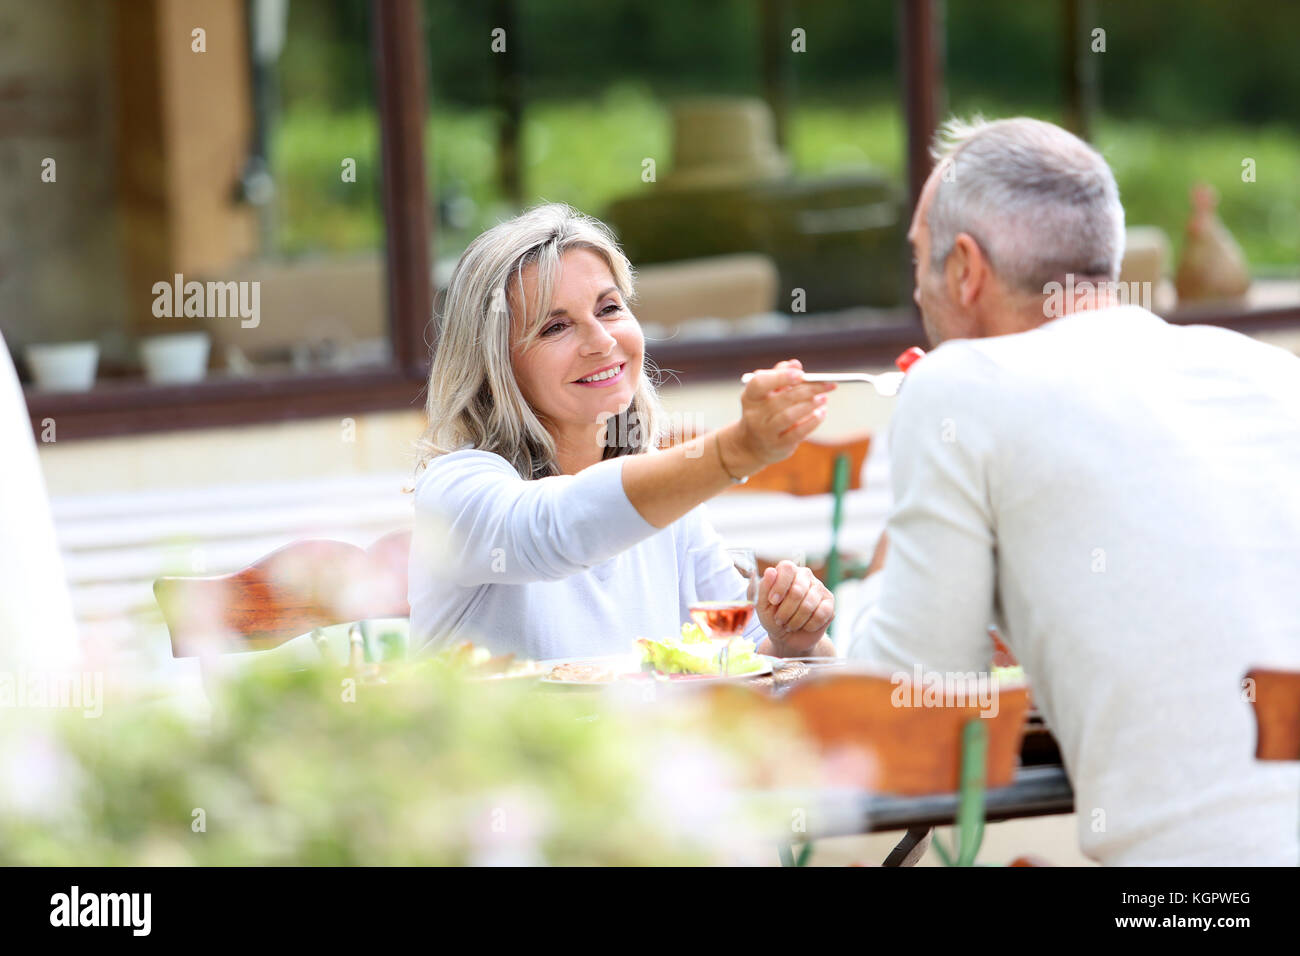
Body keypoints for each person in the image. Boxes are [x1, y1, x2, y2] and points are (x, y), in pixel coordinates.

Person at [849, 116, 1300, 865]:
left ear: (965, 269)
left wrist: (864, 590)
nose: (920, 297)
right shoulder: (1271, 373)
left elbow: (917, 698)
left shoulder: (959, 386)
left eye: (919, 265)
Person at [408, 203, 838, 661]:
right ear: (495, 367)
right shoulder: (454, 490)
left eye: (609, 308)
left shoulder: (664, 506)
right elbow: (557, 529)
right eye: (556, 327)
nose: (602, 341)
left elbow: (749, 659)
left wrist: (792, 641)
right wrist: (739, 450)